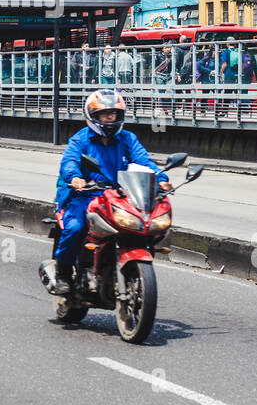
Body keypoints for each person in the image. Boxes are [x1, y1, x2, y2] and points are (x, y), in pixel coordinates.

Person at [43, 88, 171, 296]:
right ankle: (63, 275)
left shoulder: (128, 139)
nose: (110, 118)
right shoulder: (81, 139)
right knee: (75, 228)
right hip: (85, 195)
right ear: (93, 116)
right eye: (105, 114)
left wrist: (161, 179)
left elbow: (144, 162)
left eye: (114, 113)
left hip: (120, 196)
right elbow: (69, 162)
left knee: (145, 224)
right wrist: (75, 178)